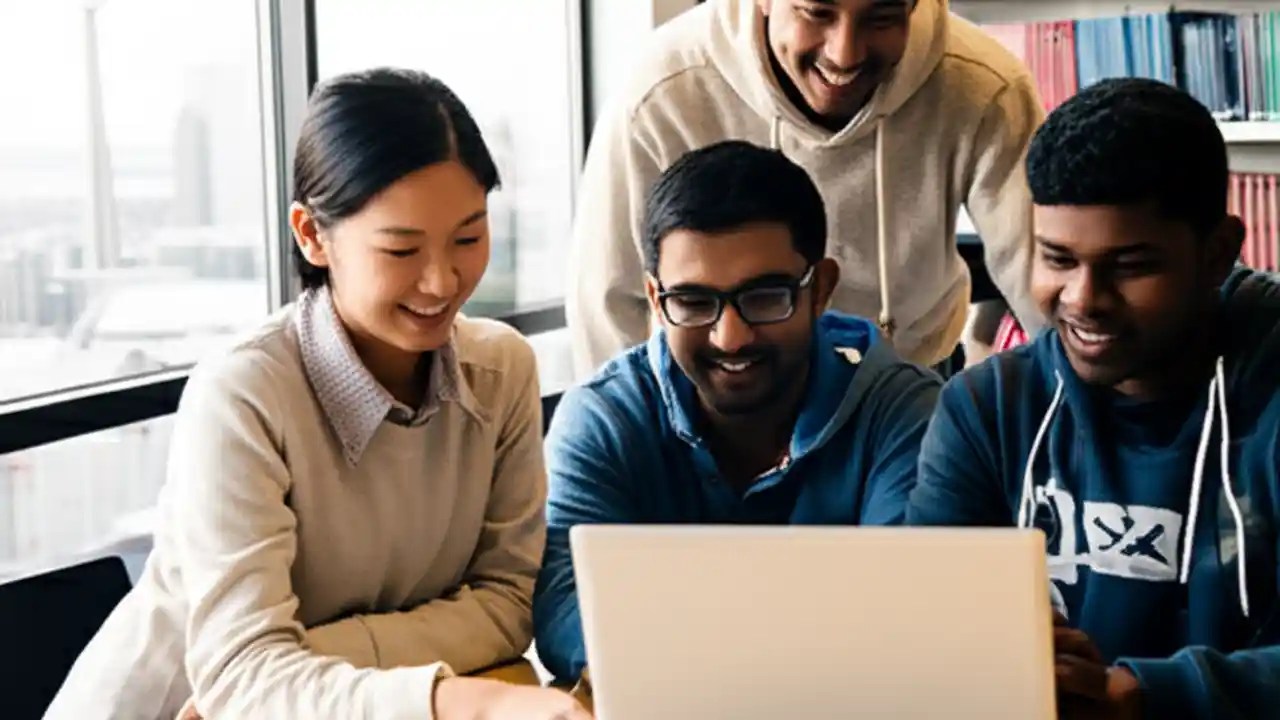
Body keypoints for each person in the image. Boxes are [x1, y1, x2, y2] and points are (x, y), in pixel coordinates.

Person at [46, 68, 588, 720]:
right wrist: (451, 700)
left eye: (468, 238)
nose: (443, 280)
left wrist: (308, 654)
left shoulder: (501, 371)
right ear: (311, 235)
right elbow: (241, 680)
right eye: (401, 249)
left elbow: (507, 602)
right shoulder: (244, 392)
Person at [907, 78, 1280, 719]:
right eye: (1058, 258)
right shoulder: (987, 408)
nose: (1082, 299)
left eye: (1129, 266)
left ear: (1218, 252)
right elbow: (924, 631)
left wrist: (1139, 696)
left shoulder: (1267, 384)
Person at [535, 140, 941, 683]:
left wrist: (671, 652)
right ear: (656, 301)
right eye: (694, 302)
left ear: (820, 289)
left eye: (766, 297)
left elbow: (902, 617)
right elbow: (566, 613)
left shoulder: (905, 413)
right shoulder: (602, 418)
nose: (731, 336)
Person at [567, 0, 1045, 378]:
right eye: (817, 12)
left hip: (912, 383)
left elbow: (1045, 282)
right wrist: (637, 450)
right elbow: (607, 302)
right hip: (723, 399)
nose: (845, 54)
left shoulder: (984, 86)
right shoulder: (663, 89)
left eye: (881, 16)